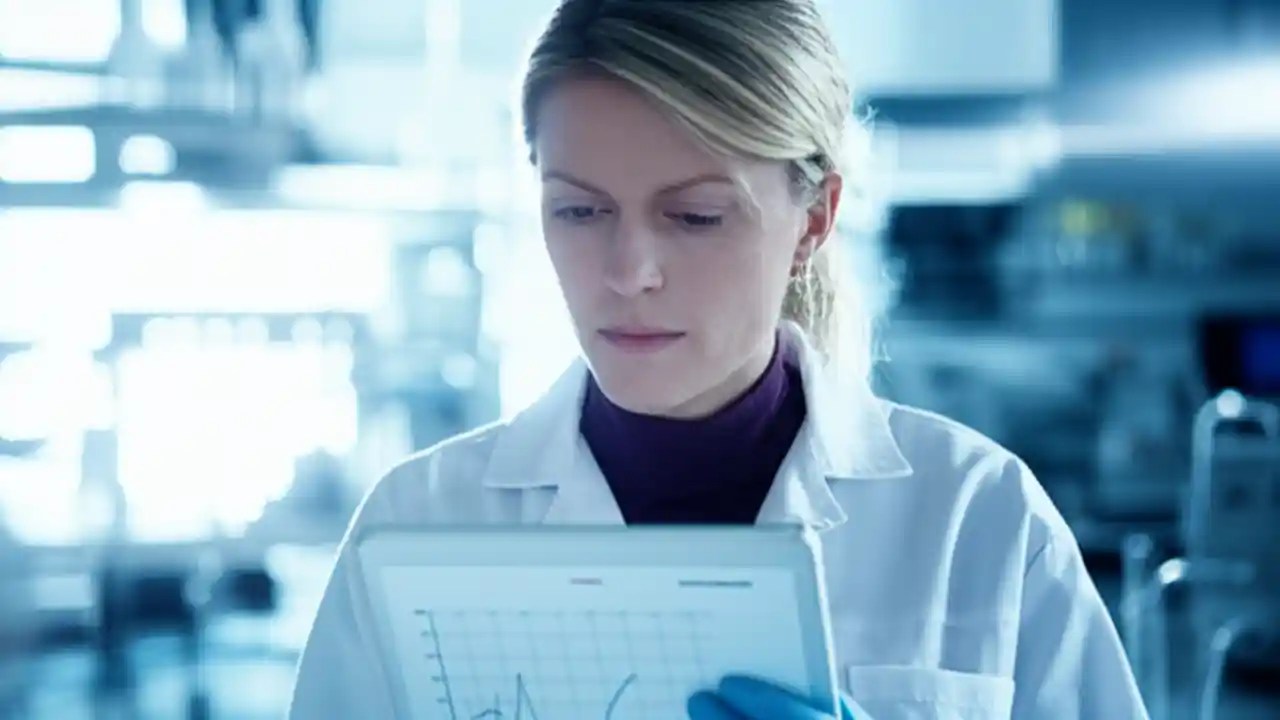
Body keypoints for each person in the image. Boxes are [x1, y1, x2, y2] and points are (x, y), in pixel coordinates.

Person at [289, 1, 1149, 718]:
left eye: (696, 217)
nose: (629, 272)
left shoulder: (979, 520)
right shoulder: (419, 524)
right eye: (579, 212)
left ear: (814, 220)